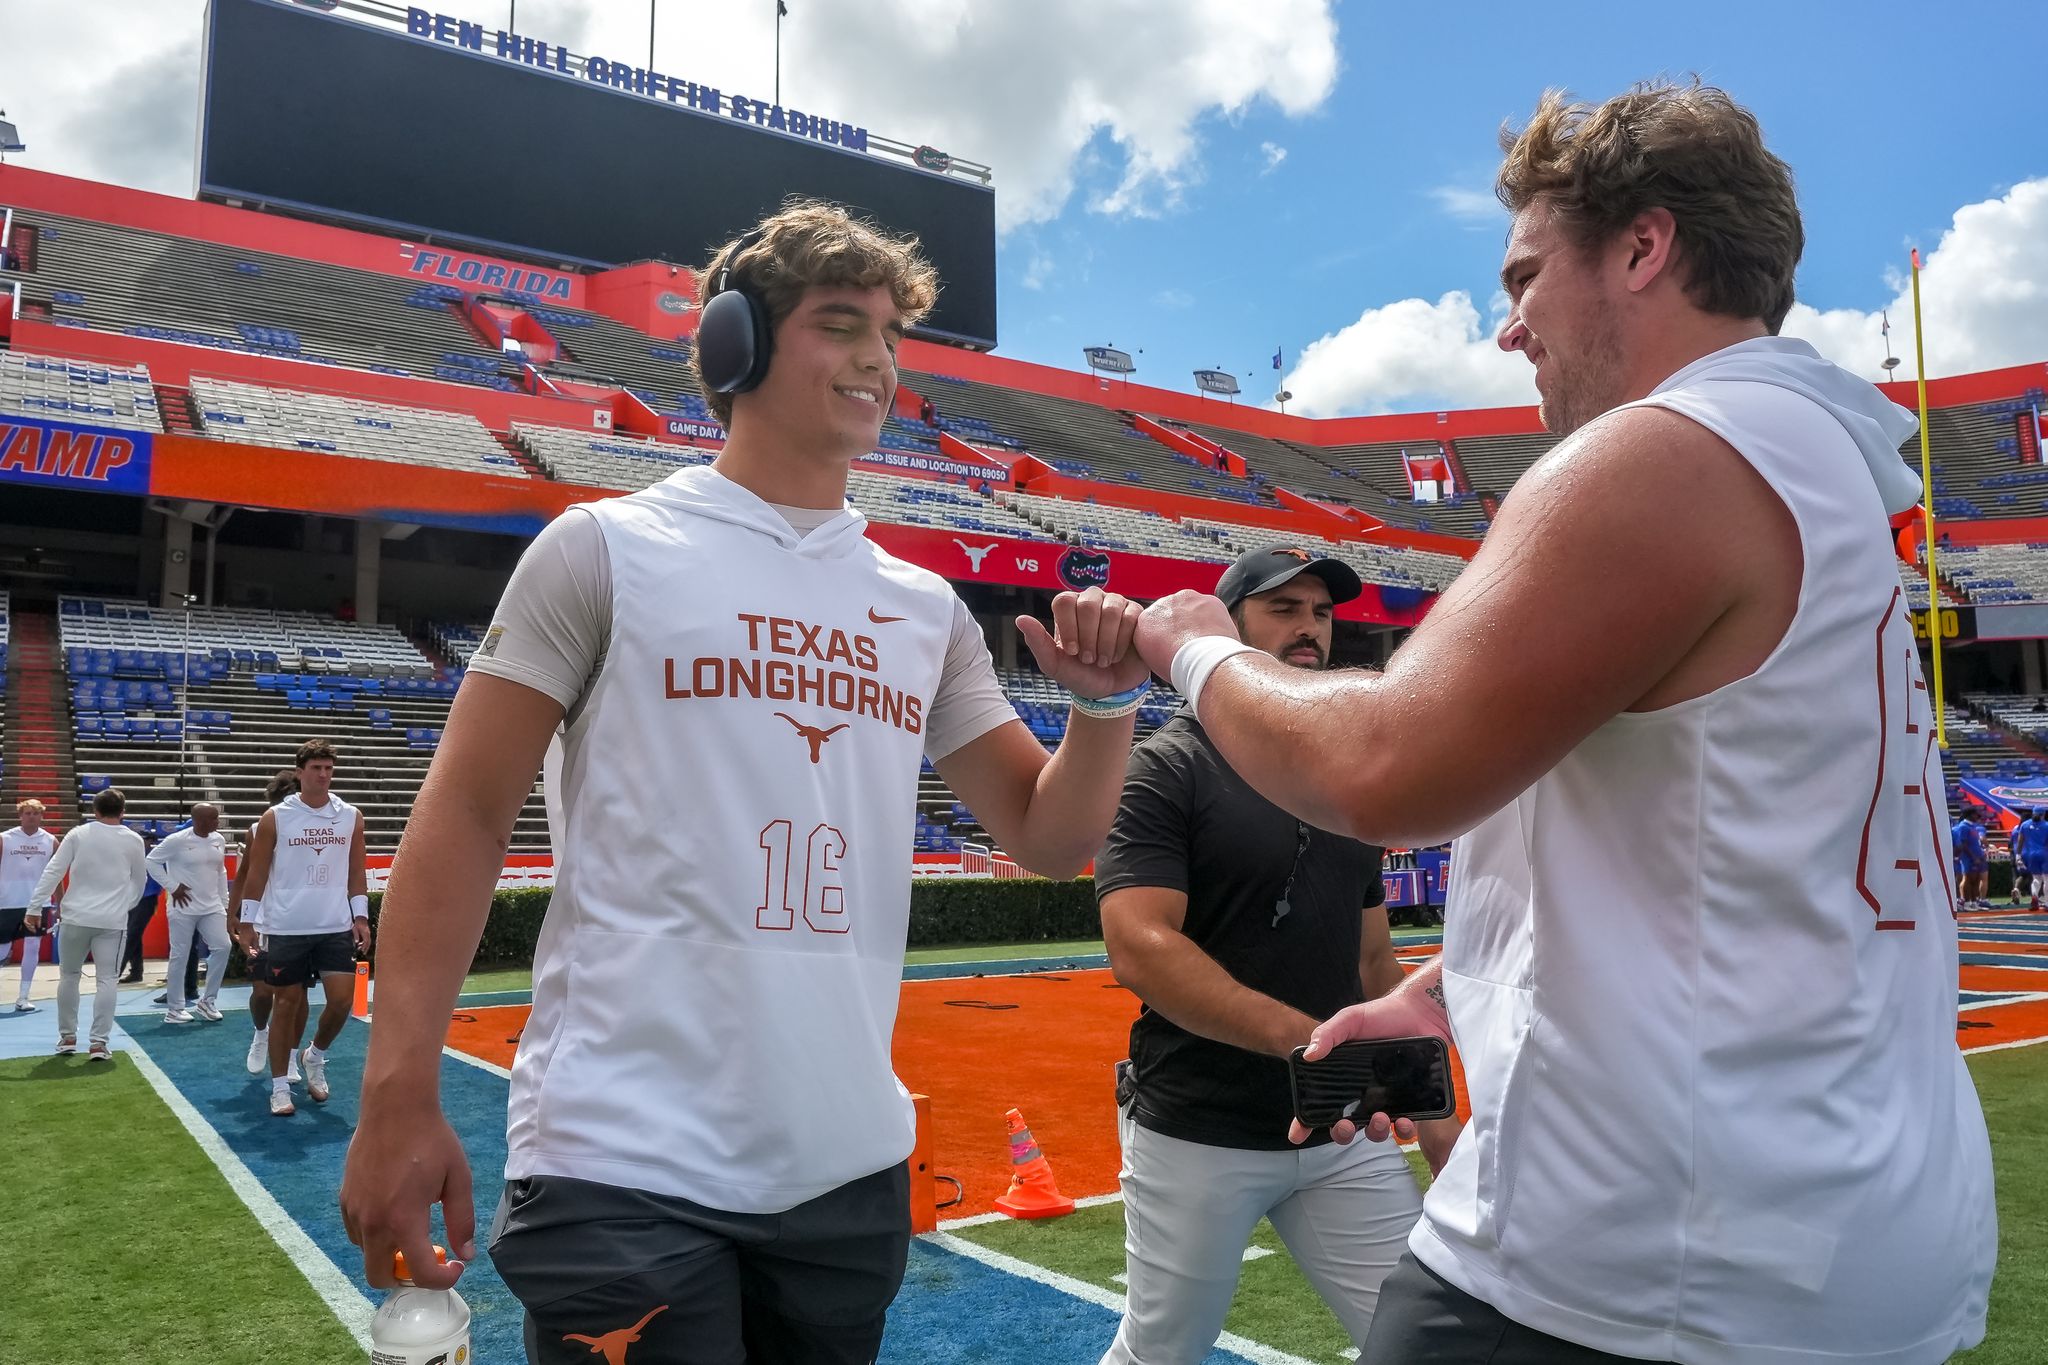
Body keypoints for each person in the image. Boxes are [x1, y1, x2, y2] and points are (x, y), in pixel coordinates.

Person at [1132, 80, 1994, 1364]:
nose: (1507, 327)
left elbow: (1383, 766)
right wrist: (1440, 988)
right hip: (1823, 1220)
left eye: (1526, 275)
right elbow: (1718, 846)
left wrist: (1191, 646)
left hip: (1656, 1257)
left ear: (1641, 248)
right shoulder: (1818, 459)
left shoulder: (1673, 449)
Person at [340, 200, 1151, 1365]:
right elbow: (463, 814)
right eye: (838, 324)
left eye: (889, 334)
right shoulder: (601, 549)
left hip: (843, 1168)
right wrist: (396, 1092)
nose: (876, 358)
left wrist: (1103, 705)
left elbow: (1046, 833)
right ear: (735, 345)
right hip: (618, 1156)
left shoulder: (922, 609)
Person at [1095, 546, 1438, 1364]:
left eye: (1321, 612)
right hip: (1199, 1126)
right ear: (1227, 623)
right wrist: (1311, 1042)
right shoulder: (1169, 765)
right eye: (1284, 609)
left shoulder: (1344, 775)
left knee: (1422, 1339)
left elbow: (1375, 965)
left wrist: (1430, 1100)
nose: (1311, 628)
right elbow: (1139, 945)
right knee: (1163, 1351)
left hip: (1337, 1132)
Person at [238, 740, 370, 1117]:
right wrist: (247, 923)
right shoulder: (276, 817)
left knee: (343, 1001)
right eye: (316, 768)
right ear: (300, 773)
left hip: (334, 925)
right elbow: (257, 873)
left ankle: (316, 1055)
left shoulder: (350, 816)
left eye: (329, 769)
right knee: (287, 1004)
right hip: (287, 926)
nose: (324, 775)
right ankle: (280, 1088)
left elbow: (356, 872)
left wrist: (360, 917)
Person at [30, 788, 146, 1061]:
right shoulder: (133, 840)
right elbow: (138, 883)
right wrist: (122, 906)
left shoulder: (78, 834)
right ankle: (98, 1043)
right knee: (107, 979)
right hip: (111, 922)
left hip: (75, 917)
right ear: (122, 811)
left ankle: (67, 1038)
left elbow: (53, 870)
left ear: (95, 810)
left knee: (69, 976)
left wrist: (35, 906)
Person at [232, 769, 308, 1082]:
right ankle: (261, 1032)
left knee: (298, 995)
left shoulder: (318, 829)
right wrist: (234, 915)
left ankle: (290, 1056)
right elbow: (246, 875)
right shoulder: (258, 829)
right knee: (263, 993)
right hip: (264, 922)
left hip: (302, 923)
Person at [146, 803, 232, 1023]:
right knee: (180, 955)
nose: (217, 822)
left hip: (212, 905)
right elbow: (151, 862)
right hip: (183, 906)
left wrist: (224, 902)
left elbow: (220, 871)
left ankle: (207, 1001)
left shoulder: (218, 840)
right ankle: (175, 1009)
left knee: (223, 946)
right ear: (199, 820)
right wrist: (172, 886)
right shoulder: (177, 840)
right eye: (213, 818)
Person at [1, 798, 59, 1014]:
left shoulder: (50, 841)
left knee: (32, 946)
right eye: (27, 813)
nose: (31, 817)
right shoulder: (5, 839)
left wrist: (60, 902)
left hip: (37, 903)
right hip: (7, 902)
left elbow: (58, 873)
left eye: (35, 813)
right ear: (20, 815)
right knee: (3, 949)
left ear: (41, 816)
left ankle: (23, 996)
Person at [118, 834, 162, 984]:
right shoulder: (132, 856)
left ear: (150, 841)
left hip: (146, 899)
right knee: (133, 935)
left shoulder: (153, 857)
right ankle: (136, 971)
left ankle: (116, 971)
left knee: (131, 934)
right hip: (132, 898)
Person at [1954, 808, 1988, 911]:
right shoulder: (1963, 827)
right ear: (1969, 815)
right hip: (1968, 858)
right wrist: (1973, 857)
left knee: (1976, 879)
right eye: (1975, 814)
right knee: (1967, 879)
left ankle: (1974, 902)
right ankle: (1966, 902)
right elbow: (1963, 844)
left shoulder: (1972, 826)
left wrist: (1980, 855)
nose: (1977, 816)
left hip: (1977, 857)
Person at [2016, 808, 2048, 911]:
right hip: (2044, 853)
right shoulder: (2046, 825)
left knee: (2036, 878)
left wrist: (2018, 855)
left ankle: (2034, 896)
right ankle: (2047, 902)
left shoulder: (2024, 825)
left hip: (2030, 854)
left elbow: (2020, 841)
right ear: (2043, 814)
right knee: (2046, 879)